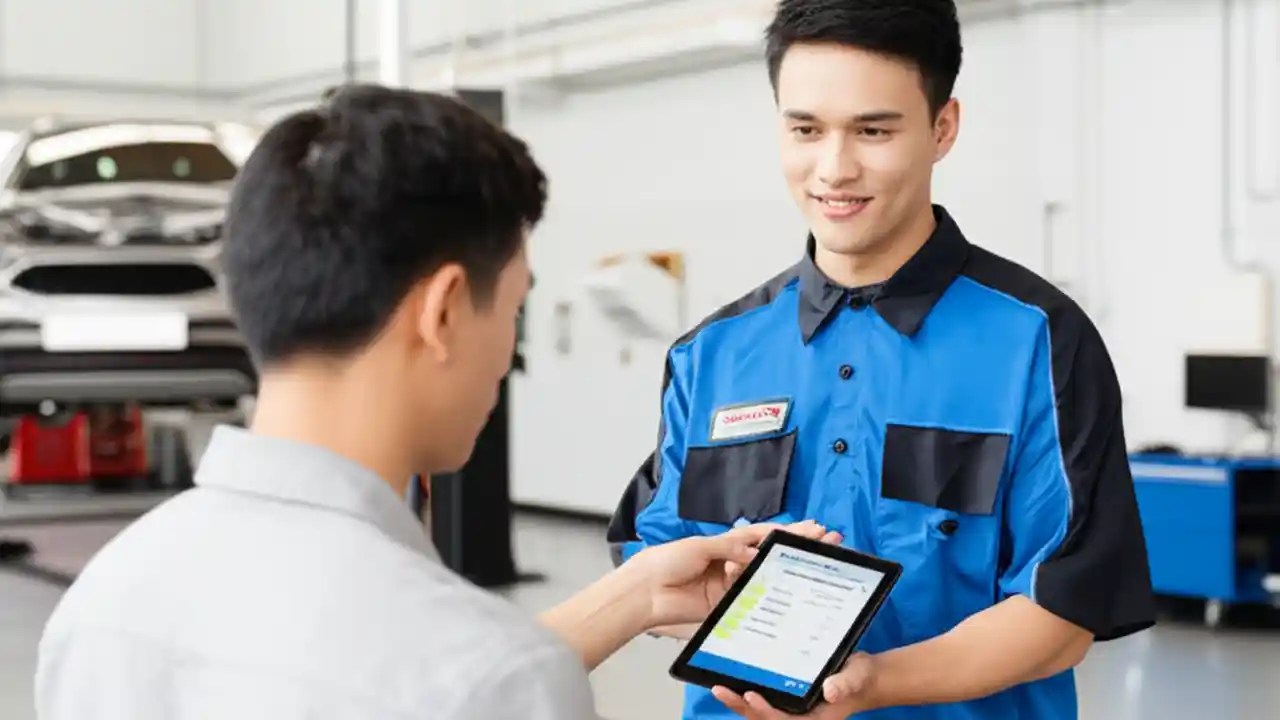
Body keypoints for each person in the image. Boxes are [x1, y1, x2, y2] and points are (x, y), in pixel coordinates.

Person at [33, 85, 842, 720]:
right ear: (446, 310)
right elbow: (458, 681)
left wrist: (637, 595)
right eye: (513, 308)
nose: (508, 355)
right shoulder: (486, 675)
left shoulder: (106, 599)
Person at [606, 1, 1156, 718]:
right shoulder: (711, 353)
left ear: (942, 128)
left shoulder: (1039, 342)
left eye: (873, 130)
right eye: (806, 129)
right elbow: (655, 571)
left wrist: (875, 683)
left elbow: (1062, 610)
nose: (834, 169)